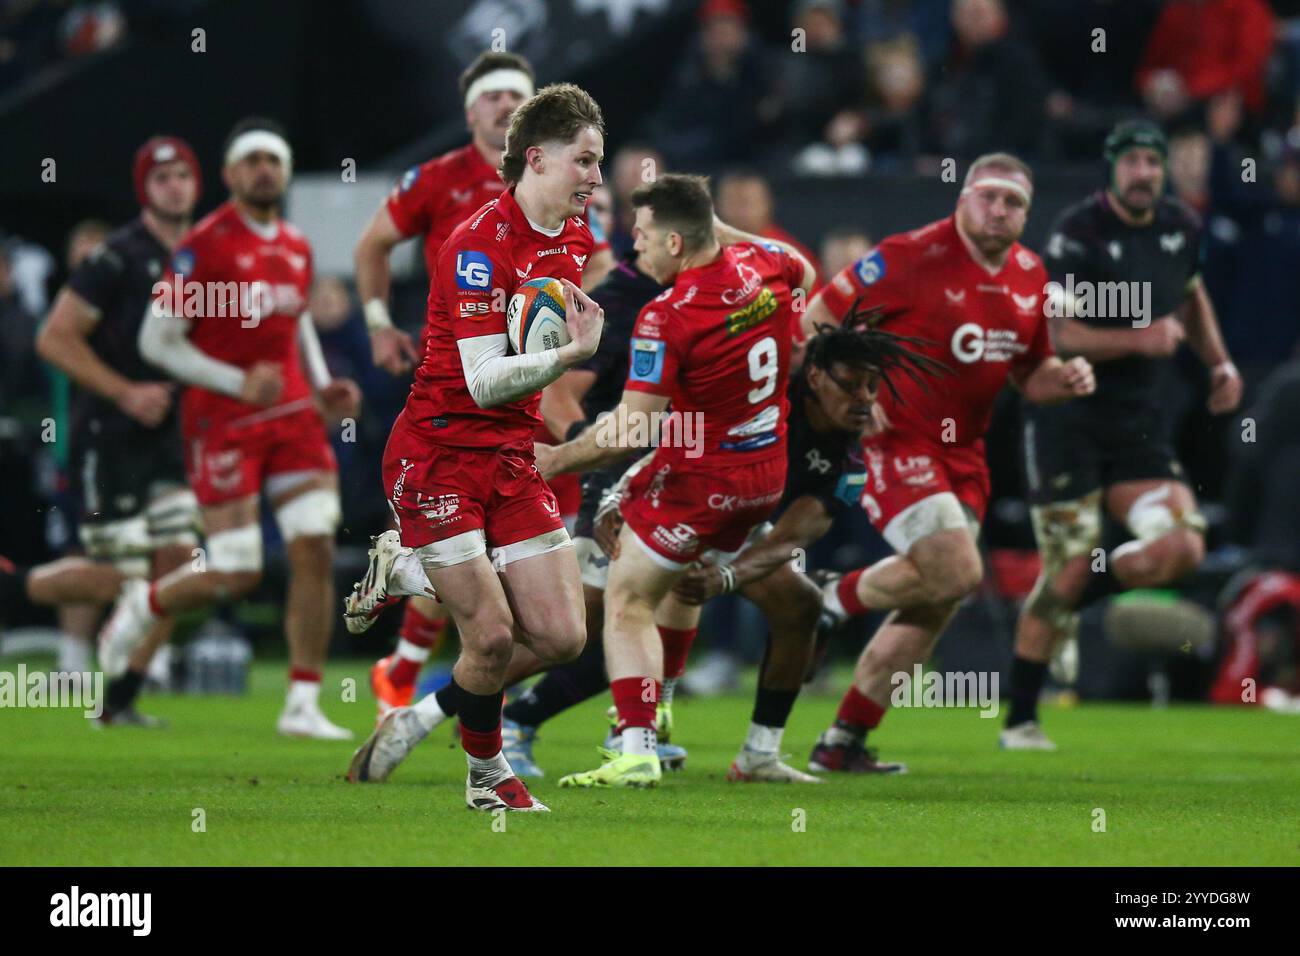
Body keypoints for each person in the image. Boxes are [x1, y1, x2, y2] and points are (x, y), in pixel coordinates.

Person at [344, 84, 607, 812]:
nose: (594, 176)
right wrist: (570, 357)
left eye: (599, 162)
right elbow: (487, 379)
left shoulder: (574, 238)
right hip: (437, 454)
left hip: (510, 457)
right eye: (584, 160)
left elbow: (534, 354)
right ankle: (487, 777)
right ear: (538, 158)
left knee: (561, 636)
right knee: (489, 638)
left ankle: (410, 574)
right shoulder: (474, 246)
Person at [803, 152, 1095, 772]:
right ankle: (830, 597)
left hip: (967, 455)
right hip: (897, 443)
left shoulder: (1030, 273)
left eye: (1013, 202)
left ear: (1027, 211)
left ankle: (843, 740)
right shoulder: (909, 255)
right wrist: (856, 394)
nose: (999, 210)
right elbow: (817, 317)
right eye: (988, 196)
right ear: (962, 199)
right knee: (958, 570)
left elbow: (1030, 375)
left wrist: (1063, 376)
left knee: (935, 600)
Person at [535, 172, 816, 789]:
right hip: (766, 475)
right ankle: (658, 717)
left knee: (629, 599)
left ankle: (634, 745)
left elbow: (632, 429)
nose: (633, 247)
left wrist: (554, 461)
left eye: (641, 236)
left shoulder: (668, 316)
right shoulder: (765, 264)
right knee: (678, 590)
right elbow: (805, 270)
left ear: (672, 245)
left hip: (701, 479)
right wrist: (715, 226)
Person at [99, 118, 362, 739]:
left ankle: (302, 701)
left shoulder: (297, 245)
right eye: (251, 161)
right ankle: (147, 602)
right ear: (230, 176)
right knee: (238, 570)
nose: (263, 170)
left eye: (273, 159)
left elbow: (295, 322)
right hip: (223, 421)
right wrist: (233, 381)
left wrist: (321, 380)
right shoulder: (206, 245)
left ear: (287, 170)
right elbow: (155, 341)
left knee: (315, 545)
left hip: (294, 416)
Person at [1005, 120, 1242, 749]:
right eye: (1133, 161)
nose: (1145, 173)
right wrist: (1138, 338)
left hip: (1138, 425)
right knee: (1064, 570)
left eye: (1153, 162)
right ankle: (1020, 719)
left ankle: (1086, 584)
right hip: (1066, 419)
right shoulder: (1076, 234)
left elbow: (1191, 297)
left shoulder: (1179, 227)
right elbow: (1054, 335)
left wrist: (1219, 362)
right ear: (1112, 169)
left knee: (1183, 548)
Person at [35, 136, 205, 725]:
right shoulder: (114, 255)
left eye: (183, 174)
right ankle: (20, 594)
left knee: (182, 565)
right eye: (161, 178)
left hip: (172, 435)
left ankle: (123, 694)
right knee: (123, 569)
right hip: (109, 434)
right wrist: (125, 391)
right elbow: (54, 337)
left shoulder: (205, 255)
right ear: (143, 189)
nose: (174, 186)